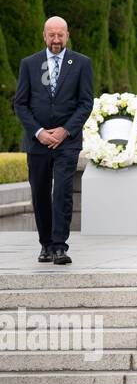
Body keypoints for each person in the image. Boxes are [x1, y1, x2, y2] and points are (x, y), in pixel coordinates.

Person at [11, 16, 94, 265]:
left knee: (62, 192)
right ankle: (45, 244)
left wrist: (65, 131)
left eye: (60, 35)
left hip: (67, 142)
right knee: (40, 192)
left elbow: (85, 102)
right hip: (38, 142)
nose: (56, 40)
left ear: (67, 35)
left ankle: (60, 246)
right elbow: (20, 103)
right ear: (44, 35)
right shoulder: (29, 64)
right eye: (52, 35)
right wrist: (39, 132)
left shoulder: (81, 63)